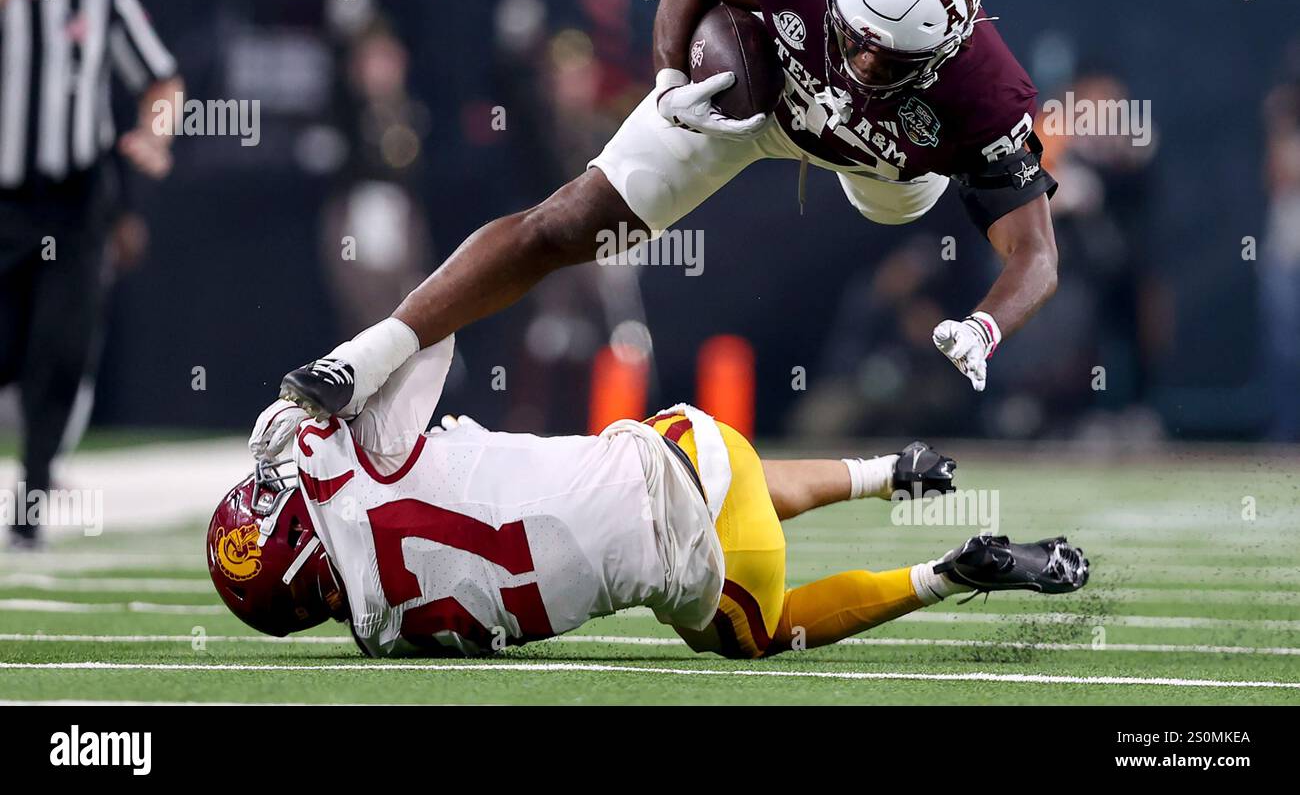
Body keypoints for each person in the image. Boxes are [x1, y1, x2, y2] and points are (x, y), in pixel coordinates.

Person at [266, 0, 1059, 430]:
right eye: (853, 31)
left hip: (882, 170)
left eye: (884, 55)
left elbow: (1036, 255)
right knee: (563, 224)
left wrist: (985, 327)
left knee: (895, 209)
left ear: (949, 48)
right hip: (753, 103)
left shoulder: (988, 94)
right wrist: (670, 77)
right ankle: (365, 356)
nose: (856, 56)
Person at [212, 337, 1088, 657]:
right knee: (716, 510)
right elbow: (427, 322)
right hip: (684, 437)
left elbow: (350, 530)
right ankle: (885, 473)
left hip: (716, 556)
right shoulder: (358, 455)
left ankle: (944, 570)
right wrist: (329, 386)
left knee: (755, 630)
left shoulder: (384, 633)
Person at [0, 0, 182, 547]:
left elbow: (163, 81)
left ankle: (32, 501)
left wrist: (155, 136)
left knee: (63, 348)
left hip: (76, 203)